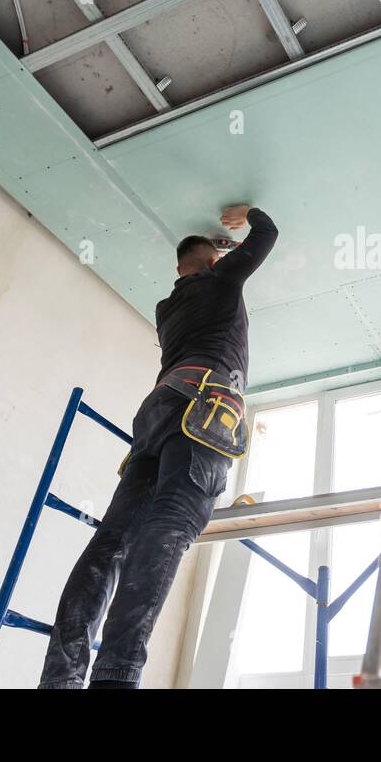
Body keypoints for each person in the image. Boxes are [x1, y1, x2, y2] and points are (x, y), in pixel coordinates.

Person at [39, 205, 278, 689]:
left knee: (112, 542)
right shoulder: (221, 280)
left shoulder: (167, 307)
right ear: (213, 262)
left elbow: (209, 265)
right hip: (206, 405)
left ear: (177, 269)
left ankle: (61, 677)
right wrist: (245, 216)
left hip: (158, 410)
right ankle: (117, 674)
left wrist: (212, 254)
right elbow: (267, 232)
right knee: (168, 528)